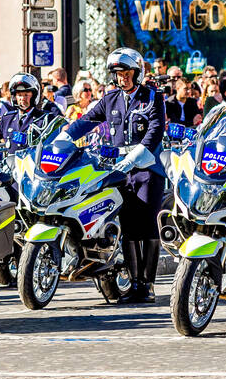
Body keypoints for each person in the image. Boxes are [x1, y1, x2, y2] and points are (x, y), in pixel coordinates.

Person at [65, 47, 167, 305]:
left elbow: (154, 132)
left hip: (147, 169)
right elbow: (86, 120)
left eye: (127, 72)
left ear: (138, 72)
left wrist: (133, 159)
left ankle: (148, 284)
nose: (123, 78)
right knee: (130, 229)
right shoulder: (110, 99)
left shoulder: (153, 97)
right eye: (119, 74)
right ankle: (134, 283)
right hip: (120, 172)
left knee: (148, 228)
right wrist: (63, 138)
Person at [0, 73, 62, 144]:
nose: (23, 98)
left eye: (26, 95)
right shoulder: (7, 119)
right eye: (19, 95)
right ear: (14, 98)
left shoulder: (45, 119)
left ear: (33, 97)